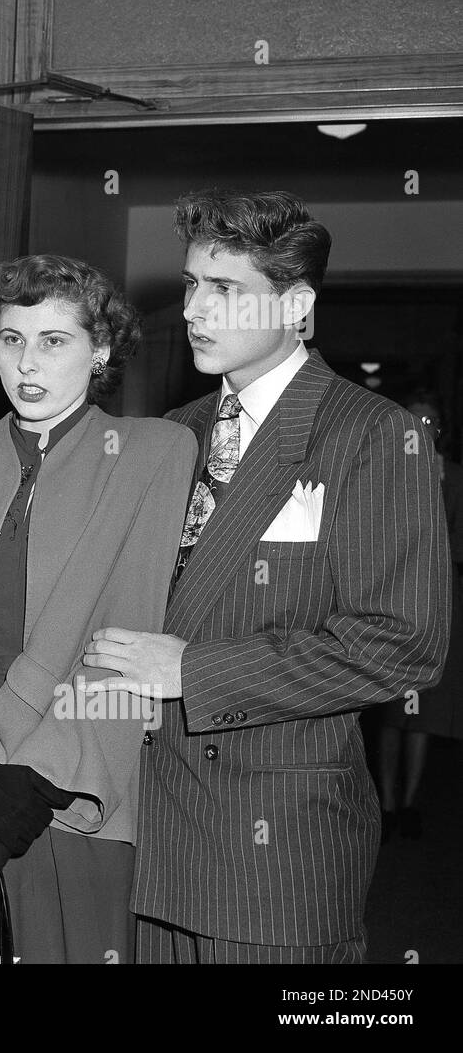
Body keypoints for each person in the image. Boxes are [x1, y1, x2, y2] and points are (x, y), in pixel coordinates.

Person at [87, 189, 451, 963]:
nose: (195, 311)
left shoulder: (373, 433)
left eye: (226, 291)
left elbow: (402, 644)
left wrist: (195, 670)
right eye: (191, 285)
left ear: (296, 305)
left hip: (274, 850)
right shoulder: (169, 433)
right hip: (146, 829)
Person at [0, 254, 198, 963]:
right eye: (12, 340)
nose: (27, 363)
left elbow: (123, 641)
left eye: (55, 341)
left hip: (70, 794)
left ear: (101, 349)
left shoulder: (155, 454)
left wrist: (18, 800)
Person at [374, 390, 463, 840]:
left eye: (430, 424)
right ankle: (387, 804)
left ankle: (409, 803)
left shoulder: (456, 480)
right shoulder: (387, 476)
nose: (421, 432)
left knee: (424, 712)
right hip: (394, 611)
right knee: (393, 712)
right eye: (414, 422)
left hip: (440, 612)